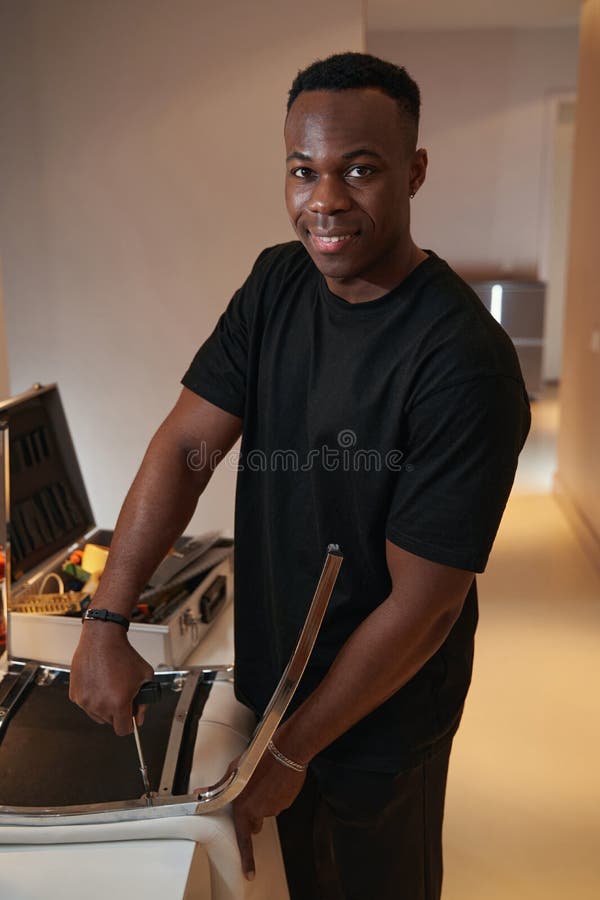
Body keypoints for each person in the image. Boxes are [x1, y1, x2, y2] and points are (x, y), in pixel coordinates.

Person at [70, 52, 531, 899]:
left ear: (415, 171)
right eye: (303, 171)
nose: (325, 199)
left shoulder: (463, 362)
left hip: (381, 723)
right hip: (271, 690)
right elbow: (185, 448)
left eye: (360, 169)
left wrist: (288, 752)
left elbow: (424, 607)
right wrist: (106, 616)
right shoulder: (278, 282)